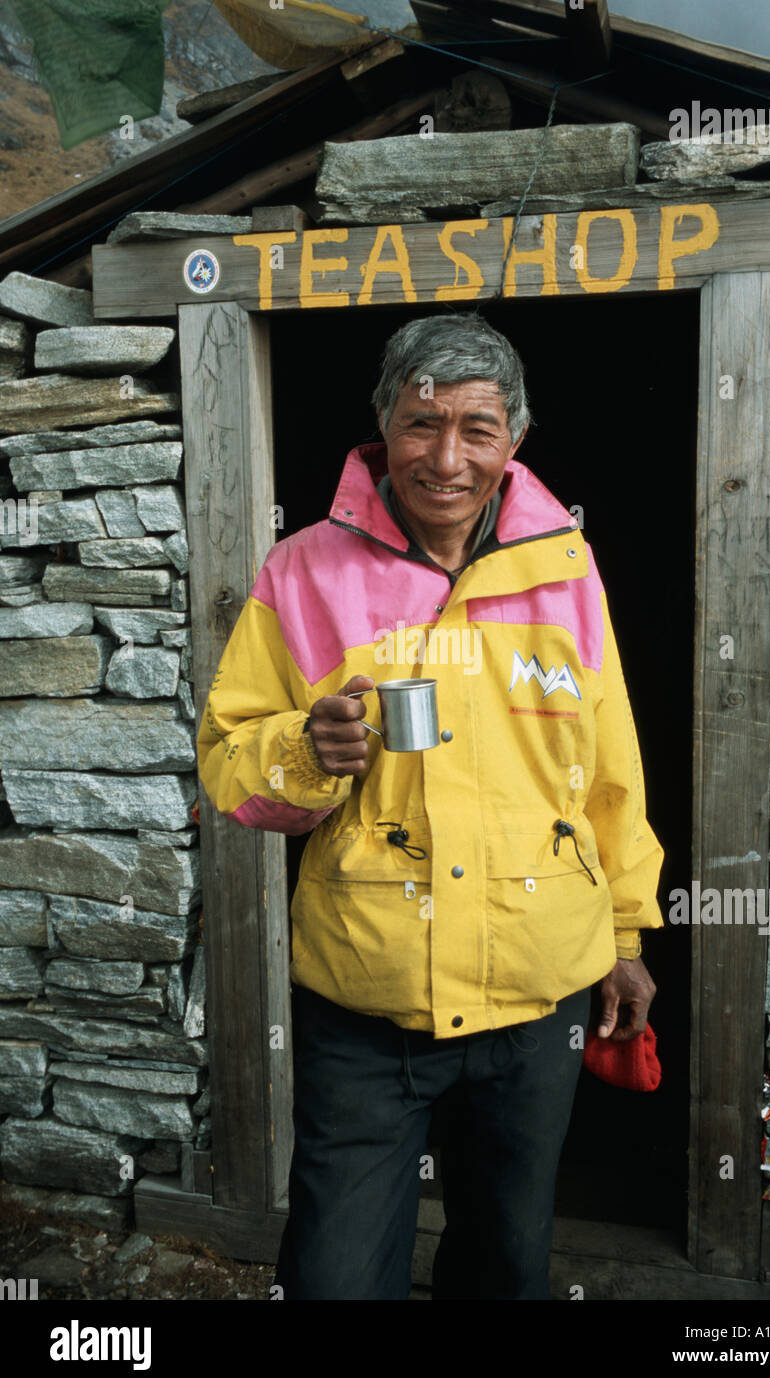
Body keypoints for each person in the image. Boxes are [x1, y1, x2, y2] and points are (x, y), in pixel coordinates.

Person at [197, 312, 664, 1301]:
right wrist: (301, 748)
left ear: (515, 440)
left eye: (476, 429)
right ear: (380, 423)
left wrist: (624, 930)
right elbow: (227, 764)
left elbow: (607, 769)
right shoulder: (303, 570)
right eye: (420, 424)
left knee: (504, 1263)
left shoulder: (565, 568)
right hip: (366, 998)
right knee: (332, 1275)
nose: (444, 457)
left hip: (536, 991)